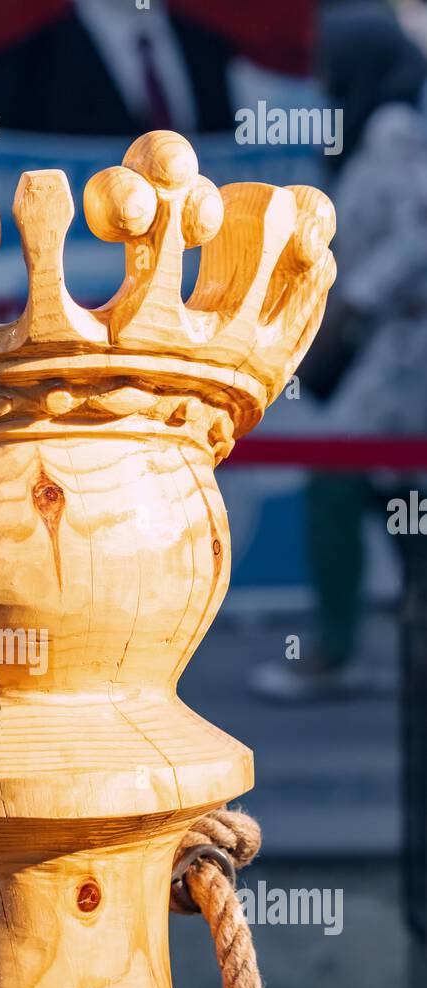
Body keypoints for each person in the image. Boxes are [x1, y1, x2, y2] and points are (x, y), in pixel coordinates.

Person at [253, 4, 427, 701]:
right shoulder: (385, 126)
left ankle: (333, 651)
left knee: (338, 475)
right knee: (397, 490)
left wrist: (356, 300)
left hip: (402, 347)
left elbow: (416, 239)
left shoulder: (394, 131)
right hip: (395, 347)